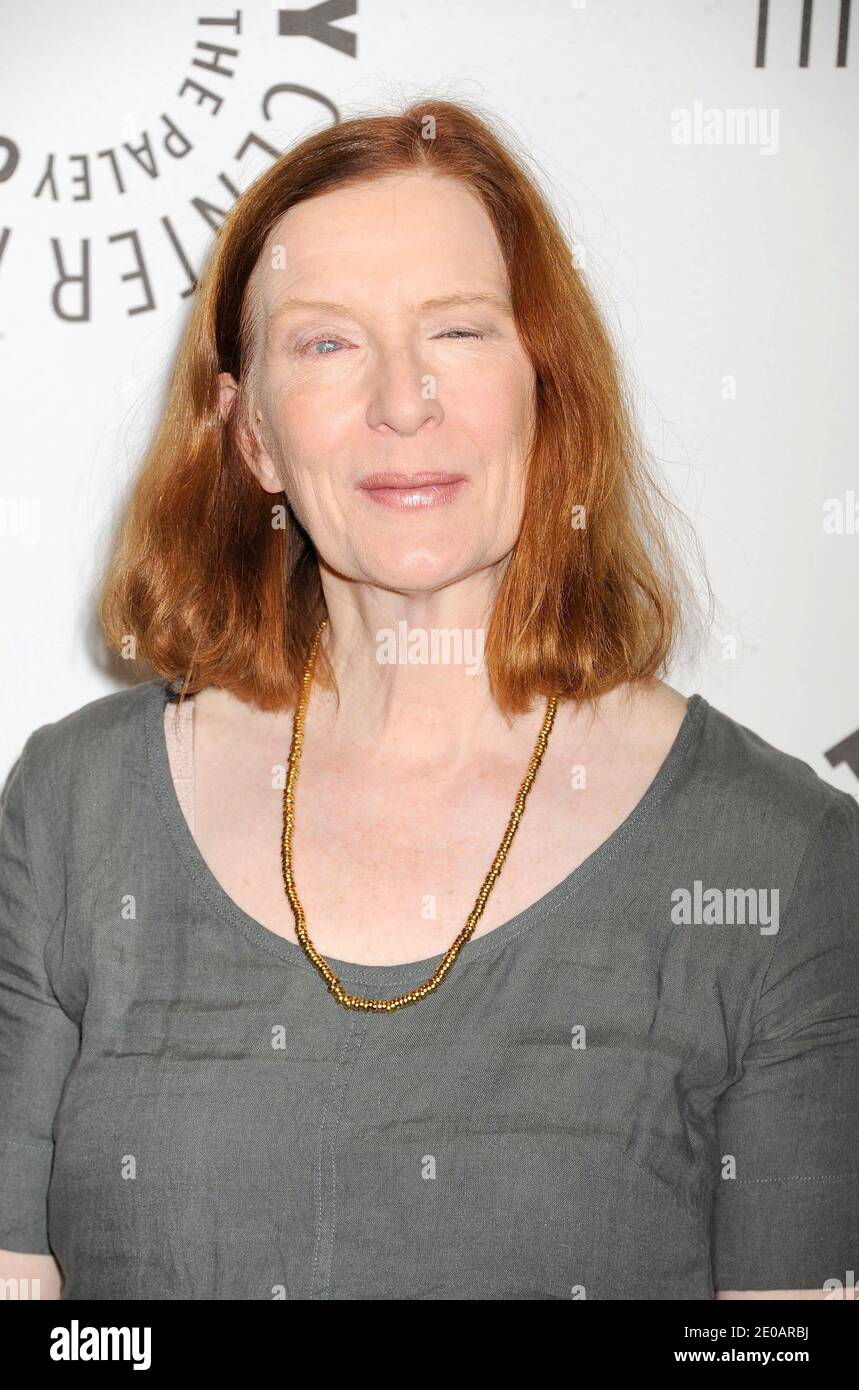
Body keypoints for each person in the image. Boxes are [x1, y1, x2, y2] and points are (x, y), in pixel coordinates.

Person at [1, 99, 856, 1301]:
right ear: (249, 436)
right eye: (325, 344)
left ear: (544, 391)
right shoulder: (72, 813)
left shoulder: (781, 856)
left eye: (456, 330)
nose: (404, 402)